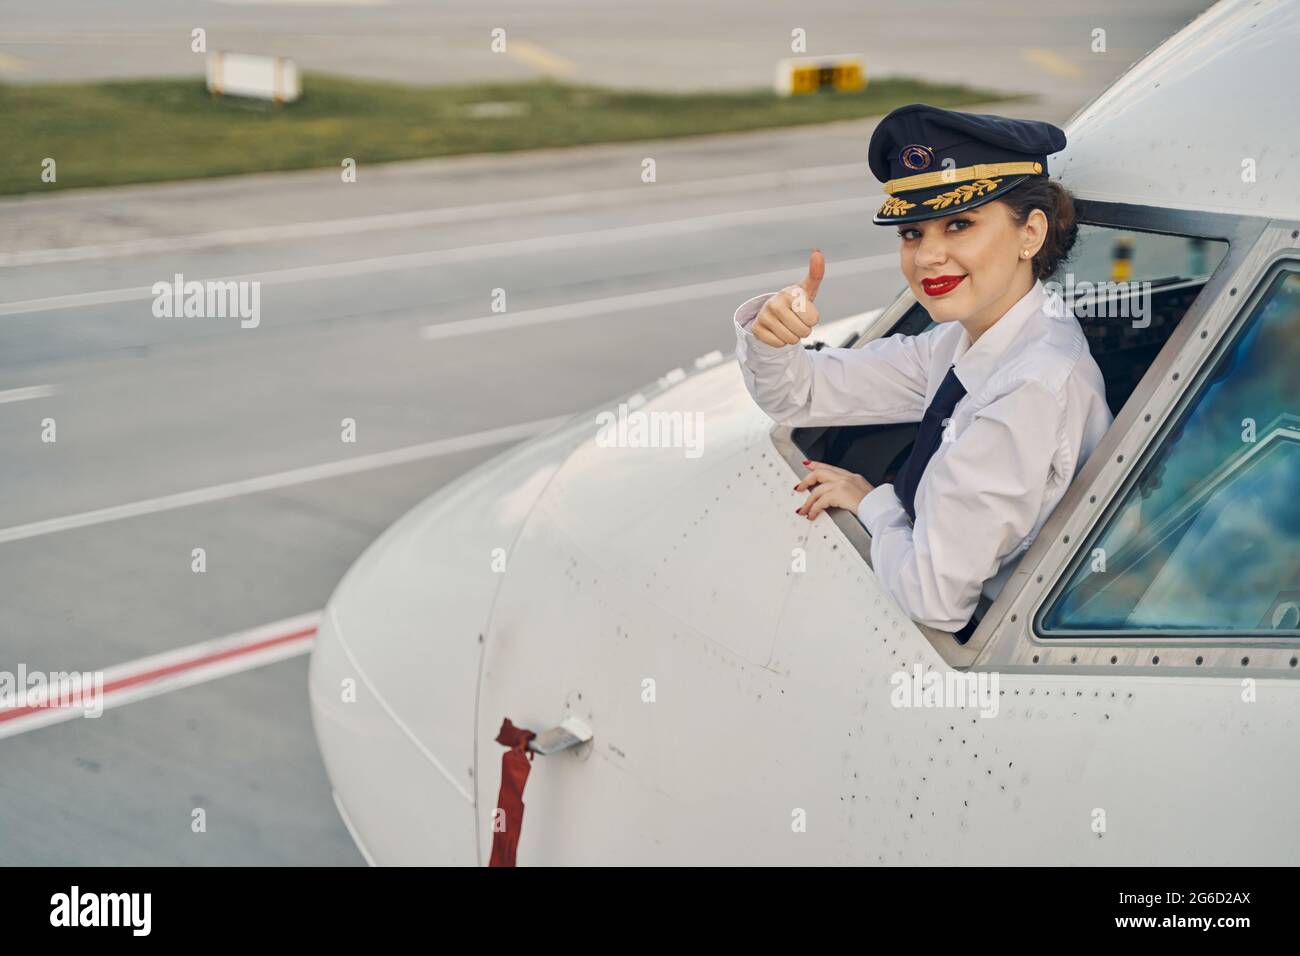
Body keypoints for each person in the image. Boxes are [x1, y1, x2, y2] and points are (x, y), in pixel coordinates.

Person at [732, 103, 1114, 643]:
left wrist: (874, 503)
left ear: (1030, 232)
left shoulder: (1027, 389)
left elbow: (935, 601)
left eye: (959, 224)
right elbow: (803, 394)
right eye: (912, 233)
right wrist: (773, 340)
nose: (928, 256)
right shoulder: (970, 341)